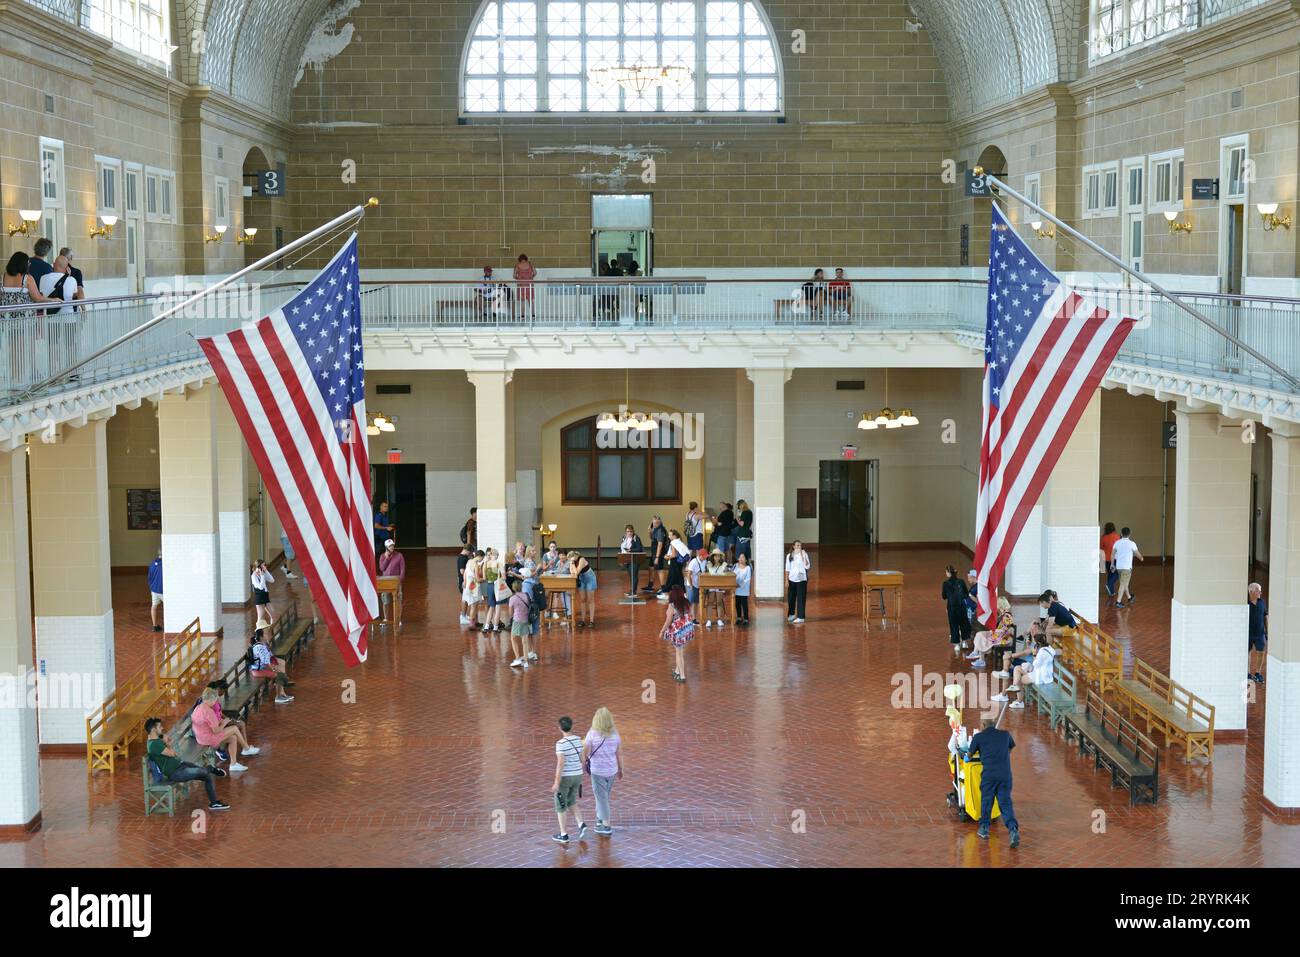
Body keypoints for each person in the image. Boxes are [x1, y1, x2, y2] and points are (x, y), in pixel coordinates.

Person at [144, 718, 229, 811]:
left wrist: (165, 741)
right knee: (202, 771)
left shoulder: (156, 740)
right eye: (159, 726)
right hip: (175, 773)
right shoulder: (154, 744)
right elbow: (172, 754)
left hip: (180, 765)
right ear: (153, 729)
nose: (162, 728)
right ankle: (210, 768)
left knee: (206, 776)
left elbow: (173, 753)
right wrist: (167, 743)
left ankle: (214, 803)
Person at [965, 717, 1019, 847]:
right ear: (994, 725)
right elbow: (1011, 748)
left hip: (989, 776)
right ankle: (1013, 829)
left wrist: (967, 756)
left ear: (983, 725)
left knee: (987, 801)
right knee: (1005, 803)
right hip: (1005, 775)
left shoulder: (978, 737)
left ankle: (984, 828)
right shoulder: (1005, 735)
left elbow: (969, 755)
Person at [192, 687, 259, 771]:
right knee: (234, 728)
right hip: (207, 737)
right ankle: (246, 748)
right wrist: (224, 723)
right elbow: (216, 730)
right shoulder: (208, 711)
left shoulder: (199, 707)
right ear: (210, 700)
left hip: (200, 736)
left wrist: (221, 722)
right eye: (214, 700)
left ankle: (233, 764)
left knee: (233, 738)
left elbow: (209, 724)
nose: (215, 702)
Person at [583, 707, 623, 836]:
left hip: (598, 771)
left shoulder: (592, 733)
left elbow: (586, 752)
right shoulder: (615, 734)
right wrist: (621, 769)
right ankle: (599, 820)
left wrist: (584, 759)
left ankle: (606, 826)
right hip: (612, 770)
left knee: (602, 798)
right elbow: (619, 754)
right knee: (602, 797)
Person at [551, 716, 588, 844]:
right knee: (571, 801)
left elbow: (560, 764)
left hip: (566, 778)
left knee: (560, 805)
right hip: (578, 775)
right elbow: (583, 759)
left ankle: (564, 834)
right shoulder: (578, 740)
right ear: (572, 726)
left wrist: (556, 782)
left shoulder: (560, 744)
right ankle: (581, 824)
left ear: (560, 728)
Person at [995, 634, 1056, 710]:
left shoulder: (1042, 653)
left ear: (1038, 643)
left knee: (1019, 679)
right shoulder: (1048, 648)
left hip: (1040, 676)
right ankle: (1014, 688)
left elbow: (1035, 664)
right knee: (1017, 669)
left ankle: (1019, 701)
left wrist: (1034, 654)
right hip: (1039, 672)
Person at [660, 584, 696, 682]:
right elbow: (692, 616)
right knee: (679, 650)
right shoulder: (687, 603)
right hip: (687, 630)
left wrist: (662, 631)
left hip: (678, 632)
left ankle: (682, 676)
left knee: (679, 653)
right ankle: (677, 671)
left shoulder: (672, 605)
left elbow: (668, 621)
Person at [249, 629, 295, 704]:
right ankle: (278, 697)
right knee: (280, 676)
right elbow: (266, 662)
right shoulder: (261, 647)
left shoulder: (260, 645)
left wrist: (274, 669)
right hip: (258, 671)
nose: (267, 635)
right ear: (261, 637)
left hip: (260, 669)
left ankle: (281, 695)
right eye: (265, 634)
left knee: (282, 675)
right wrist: (274, 670)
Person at [942, 564, 970, 655]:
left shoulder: (945, 584)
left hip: (951, 607)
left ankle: (957, 644)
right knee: (963, 623)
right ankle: (965, 642)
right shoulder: (961, 582)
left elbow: (944, 596)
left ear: (948, 573)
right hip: (961, 606)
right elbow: (966, 594)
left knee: (954, 625)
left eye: (946, 572)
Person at [1111, 527, 1143, 607]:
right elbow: (1137, 553)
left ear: (1121, 534)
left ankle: (1129, 597)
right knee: (1123, 584)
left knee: (1124, 583)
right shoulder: (1132, 543)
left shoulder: (1117, 543)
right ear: (1129, 534)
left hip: (1119, 567)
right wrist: (1141, 558)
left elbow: (1112, 554)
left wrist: (1112, 564)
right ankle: (1118, 602)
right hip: (1126, 568)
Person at [507, 579, 534, 668]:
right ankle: (526, 661)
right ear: (521, 587)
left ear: (513, 588)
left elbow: (510, 613)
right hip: (526, 620)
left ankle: (518, 658)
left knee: (513, 638)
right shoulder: (527, 595)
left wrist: (510, 619)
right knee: (525, 641)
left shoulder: (512, 598)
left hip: (517, 620)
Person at [378, 539, 405, 620]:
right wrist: (387, 558)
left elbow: (402, 568)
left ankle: (398, 619)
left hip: (396, 581)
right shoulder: (383, 556)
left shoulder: (399, 555)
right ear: (386, 547)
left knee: (398, 600)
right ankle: (386, 618)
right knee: (385, 600)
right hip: (385, 581)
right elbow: (382, 568)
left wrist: (400, 579)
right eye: (390, 546)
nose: (392, 547)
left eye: (393, 545)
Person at [703, 549, 731, 627]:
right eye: (716, 555)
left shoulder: (724, 564)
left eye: (719, 556)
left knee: (719, 602)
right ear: (713, 556)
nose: (717, 557)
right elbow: (706, 574)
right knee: (710, 602)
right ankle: (709, 620)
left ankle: (719, 619)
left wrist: (726, 570)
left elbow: (726, 573)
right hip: (711, 585)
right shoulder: (708, 564)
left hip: (720, 585)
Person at [785, 541, 810, 623]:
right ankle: (791, 614)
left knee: (801, 597)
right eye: (797, 545)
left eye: (800, 545)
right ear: (793, 546)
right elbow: (787, 569)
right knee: (791, 597)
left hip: (801, 576)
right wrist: (786, 580)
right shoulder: (789, 556)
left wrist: (803, 556)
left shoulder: (804, 554)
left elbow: (807, 566)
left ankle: (801, 617)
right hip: (792, 578)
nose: (799, 546)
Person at [1248, 582, 1268, 684]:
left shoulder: (1262, 602)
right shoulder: (1246, 604)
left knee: (1261, 652)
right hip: (1248, 634)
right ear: (1251, 591)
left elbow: (1265, 616)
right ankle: (1247, 673)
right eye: (1258, 590)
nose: (1260, 592)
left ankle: (1257, 673)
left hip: (1260, 634)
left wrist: (1266, 632)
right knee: (1248, 653)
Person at [660, 529, 689, 598]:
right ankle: (684, 593)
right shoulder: (680, 542)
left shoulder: (673, 543)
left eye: (670, 535)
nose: (669, 536)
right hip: (680, 563)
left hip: (674, 562)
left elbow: (674, 555)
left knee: (671, 578)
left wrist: (667, 557)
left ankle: (666, 593)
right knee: (679, 577)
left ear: (674, 536)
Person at [571, 550, 596, 628]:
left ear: (575, 556)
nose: (571, 559)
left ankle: (591, 621)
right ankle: (583, 620)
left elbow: (577, 572)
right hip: (581, 579)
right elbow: (572, 572)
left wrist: (572, 564)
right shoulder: (571, 561)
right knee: (582, 599)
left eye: (572, 557)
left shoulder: (581, 559)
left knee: (590, 599)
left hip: (590, 579)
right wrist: (571, 564)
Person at [645, 515, 668, 594]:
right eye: (654, 522)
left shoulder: (660, 531)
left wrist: (657, 557)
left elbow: (660, 544)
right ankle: (650, 586)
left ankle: (663, 589)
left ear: (660, 522)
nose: (655, 524)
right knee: (651, 567)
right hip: (653, 552)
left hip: (658, 553)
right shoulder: (655, 529)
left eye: (657, 522)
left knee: (660, 569)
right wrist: (649, 531)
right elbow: (651, 538)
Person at [619, 523, 644, 595]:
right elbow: (622, 549)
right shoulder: (624, 538)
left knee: (634, 575)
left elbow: (639, 549)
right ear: (625, 532)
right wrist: (622, 559)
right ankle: (632, 590)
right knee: (631, 575)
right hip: (627, 559)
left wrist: (631, 550)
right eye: (627, 531)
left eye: (630, 531)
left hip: (635, 559)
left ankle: (634, 592)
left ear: (633, 531)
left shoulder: (636, 538)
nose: (629, 533)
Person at [1100, 521, 1120, 602]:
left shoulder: (1103, 537)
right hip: (1115, 558)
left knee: (1110, 574)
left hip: (1106, 559)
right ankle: (1109, 584)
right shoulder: (1117, 536)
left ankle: (1111, 592)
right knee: (1117, 574)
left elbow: (1101, 548)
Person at [461, 550, 483, 627]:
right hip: (474, 587)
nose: (481, 560)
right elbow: (477, 579)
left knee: (474, 604)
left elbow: (465, 573)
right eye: (482, 558)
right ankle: (472, 624)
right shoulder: (476, 565)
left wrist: (465, 581)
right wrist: (484, 579)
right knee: (474, 605)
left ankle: (475, 622)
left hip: (468, 586)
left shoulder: (469, 561)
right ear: (480, 556)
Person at [250, 560, 275, 627]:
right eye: (263, 565)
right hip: (260, 597)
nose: (265, 567)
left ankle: (272, 629)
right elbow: (260, 587)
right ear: (258, 567)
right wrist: (262, 576)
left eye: (265, 565)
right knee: (260, 618)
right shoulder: (253, 576)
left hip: (265, 595)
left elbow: (272, 580)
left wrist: (266, 571)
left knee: (273, 614)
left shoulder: (263, 573)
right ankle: (257, 635)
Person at [513, 253, 537, 319]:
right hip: (529, 285)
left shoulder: (517, 265)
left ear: (519, 259)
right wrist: (530, 277)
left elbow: (514, 276)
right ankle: (533, 315)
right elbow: (535, 273)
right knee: (531, 301)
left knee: (522, 301)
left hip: (521, 285)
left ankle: (523, 316)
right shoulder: (530, 264)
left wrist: (519, 279)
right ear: (526, 259)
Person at [733, 553, 752, 625]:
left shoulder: (748, 568)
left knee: (744, 604)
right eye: (740, 557)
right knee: (737, 604)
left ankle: (746, 618)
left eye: (743, 557)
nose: (741, 559)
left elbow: (747, 579)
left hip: (744, 589)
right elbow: (733, 576)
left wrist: (740, 585)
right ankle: (739, 617)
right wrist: (735, 584)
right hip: (736, 588)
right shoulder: (736, 567)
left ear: (746, 559)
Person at [147, 550, 164, 632]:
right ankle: (170, 625)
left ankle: (154, 626)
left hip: (154, 589)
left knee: (154, 606)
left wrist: (151, 586)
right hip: (162, 590)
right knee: (168, 607)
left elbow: (149, 577)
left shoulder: (152, 563)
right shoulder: (164, 565)